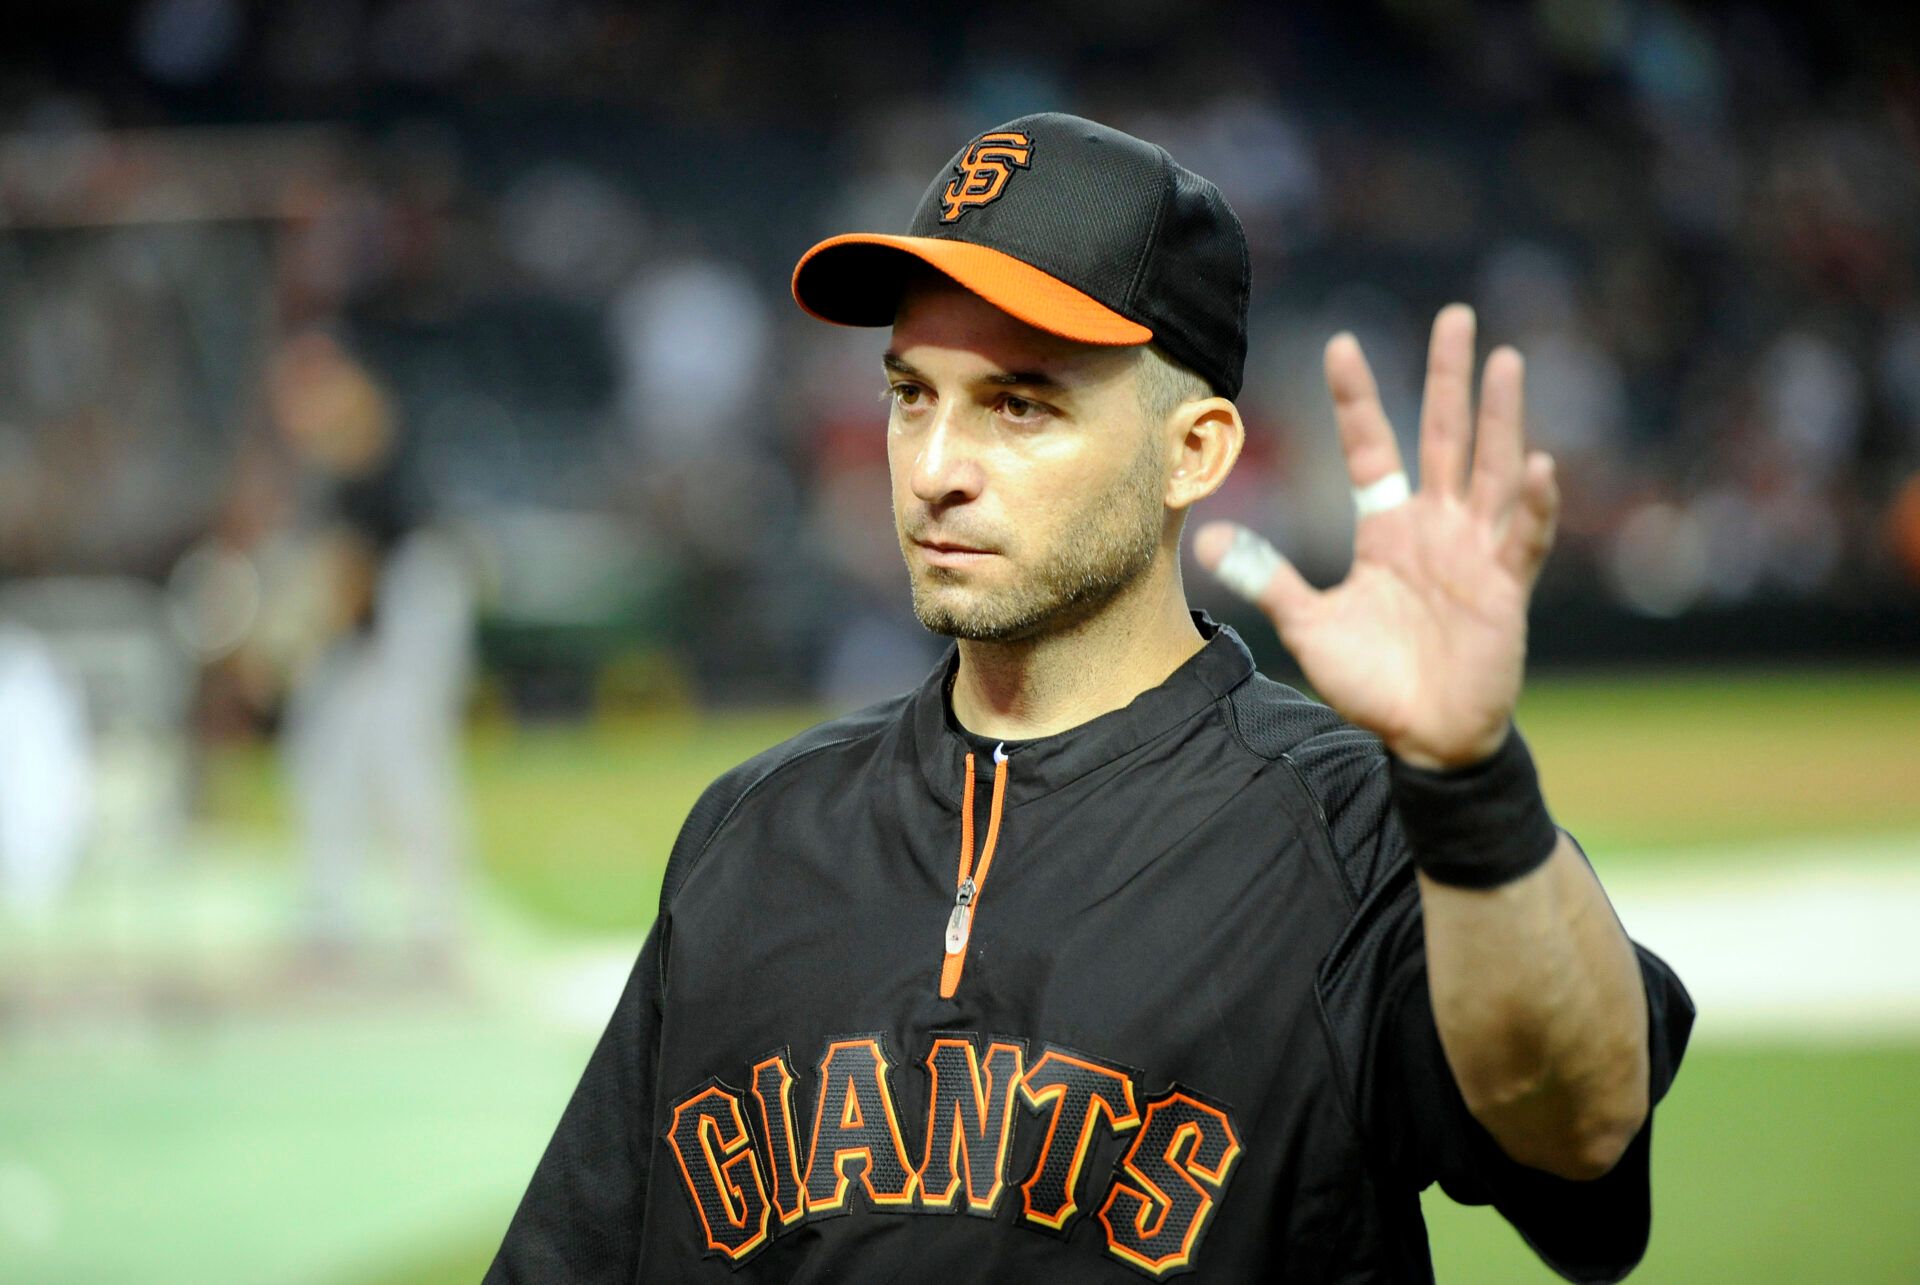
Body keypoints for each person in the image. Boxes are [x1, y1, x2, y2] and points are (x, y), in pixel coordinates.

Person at [488, 112, 1691, 1283]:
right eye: (911, 394)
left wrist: (1470, 782)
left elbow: (1581, 1129)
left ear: (1195, 452)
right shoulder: (753, 833)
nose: (935, 470)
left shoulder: (1352, 829)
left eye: (1021, 404)